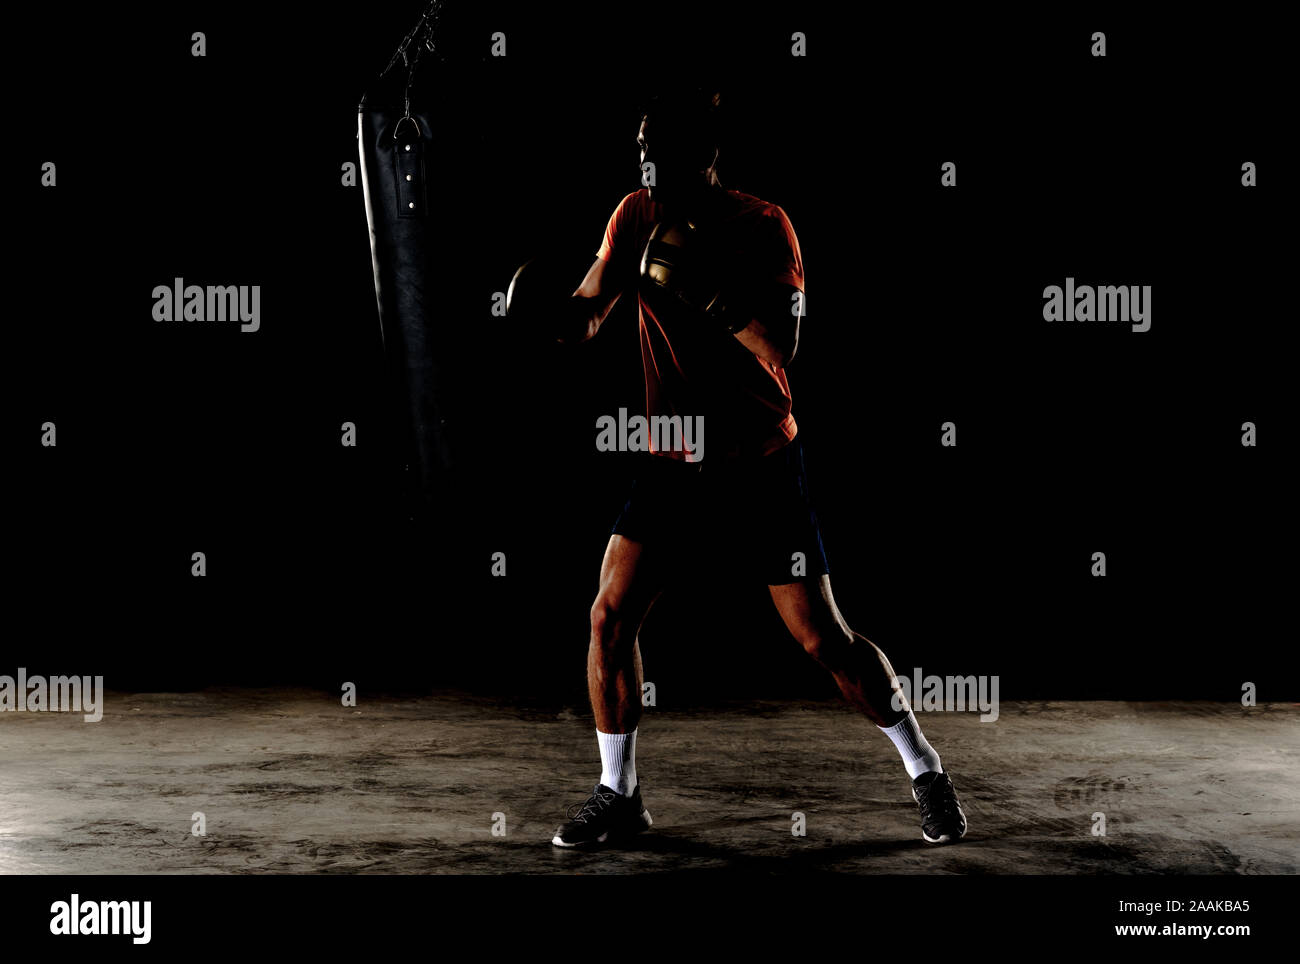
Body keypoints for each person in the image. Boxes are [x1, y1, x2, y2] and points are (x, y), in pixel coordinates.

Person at [508, 87, 967, 849]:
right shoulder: (634, 214)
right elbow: (590, 312)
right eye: (641, 147)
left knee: (824, 638)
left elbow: (781, 348)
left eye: (661, 149)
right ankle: (618, 794)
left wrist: (704, 292)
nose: (647, 162)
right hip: (671, 456)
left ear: (705, 156)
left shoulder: (764, 225)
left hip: (758, 457)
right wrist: (550, 319)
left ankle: (927, 771)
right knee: (607, 617)